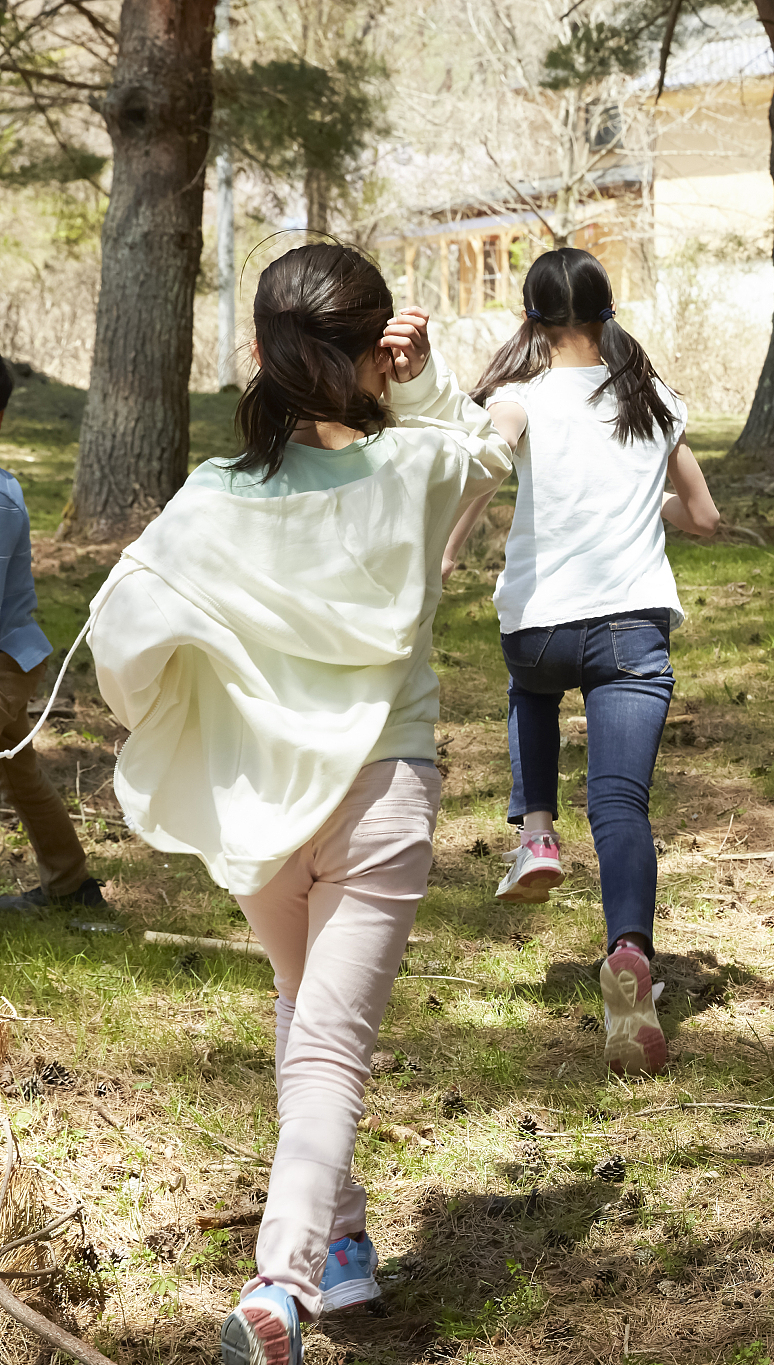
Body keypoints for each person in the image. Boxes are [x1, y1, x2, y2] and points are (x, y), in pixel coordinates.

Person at [84, 244, 513, 1365]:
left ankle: (345, 1245)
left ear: (265, 355)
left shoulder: (213, 497)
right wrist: (415, 381)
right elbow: (482, 453)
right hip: (382, 796)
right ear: (374, 348)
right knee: (324, 1047)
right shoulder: (416, 468)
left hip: (258, 807)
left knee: (301, 1018)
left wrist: (175, 694)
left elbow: (124, 633)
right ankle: (282, 1283)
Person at [452, 247, 719, 1079]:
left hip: (541, 627)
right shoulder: (655, 399)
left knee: (528, 689)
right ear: (608, 316)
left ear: (531, 320)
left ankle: (535, 833)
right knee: (622, 805)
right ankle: (629, 953)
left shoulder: (516, 399)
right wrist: (646, 500)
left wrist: (440, 557)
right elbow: (704, 516)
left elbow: (476, 485)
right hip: (633, 627)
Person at [0, 360, 99, 914]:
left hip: (5, 661)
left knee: (18, 773)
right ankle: (71, 885)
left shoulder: (0, 497)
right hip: (14, 652)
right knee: (19, 773)